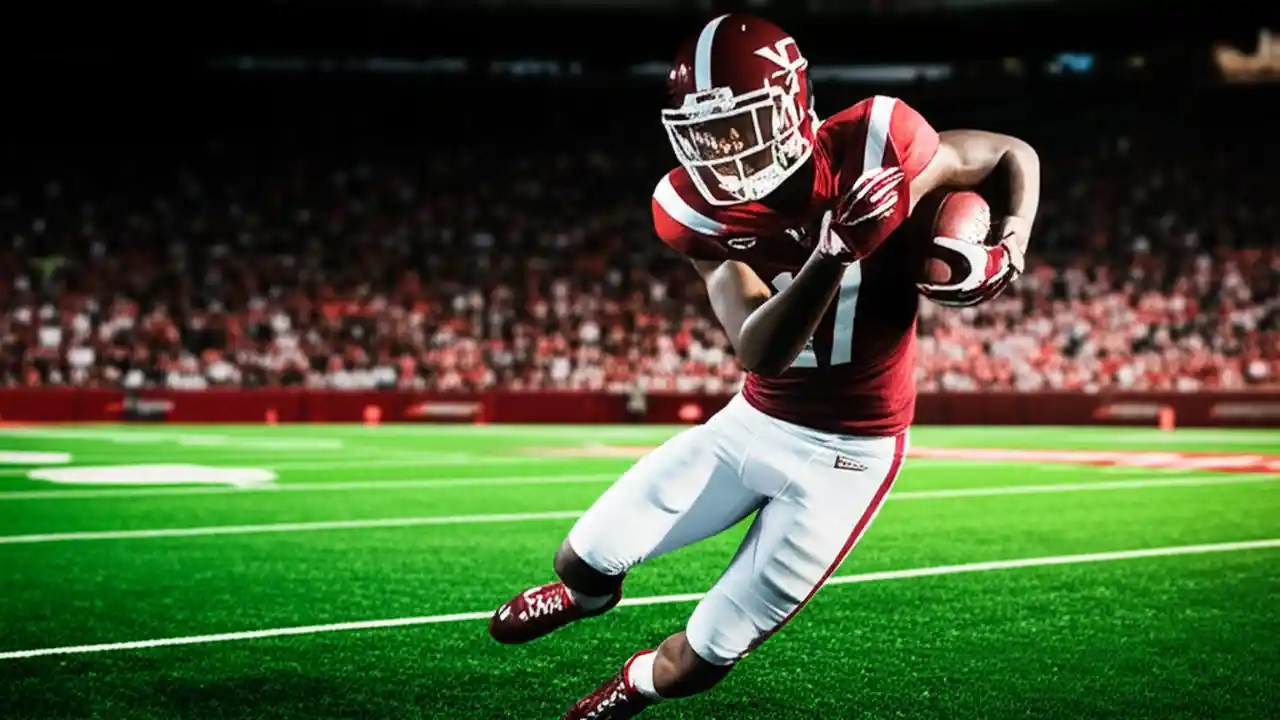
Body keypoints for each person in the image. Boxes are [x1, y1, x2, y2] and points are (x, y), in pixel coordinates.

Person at [488, 13, 1040, 719]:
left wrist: (1011, 241)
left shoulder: (877, 144)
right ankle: (588, 599)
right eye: (706, 135)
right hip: (754, 420)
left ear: (792, 105)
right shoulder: (691, 208)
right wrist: (833, 253)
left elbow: (1007, 154)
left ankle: (632, 684)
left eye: (740, 127)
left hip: (853, 452)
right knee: (579, 559)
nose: (722, 152)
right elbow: (758, 348)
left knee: (706, 653)